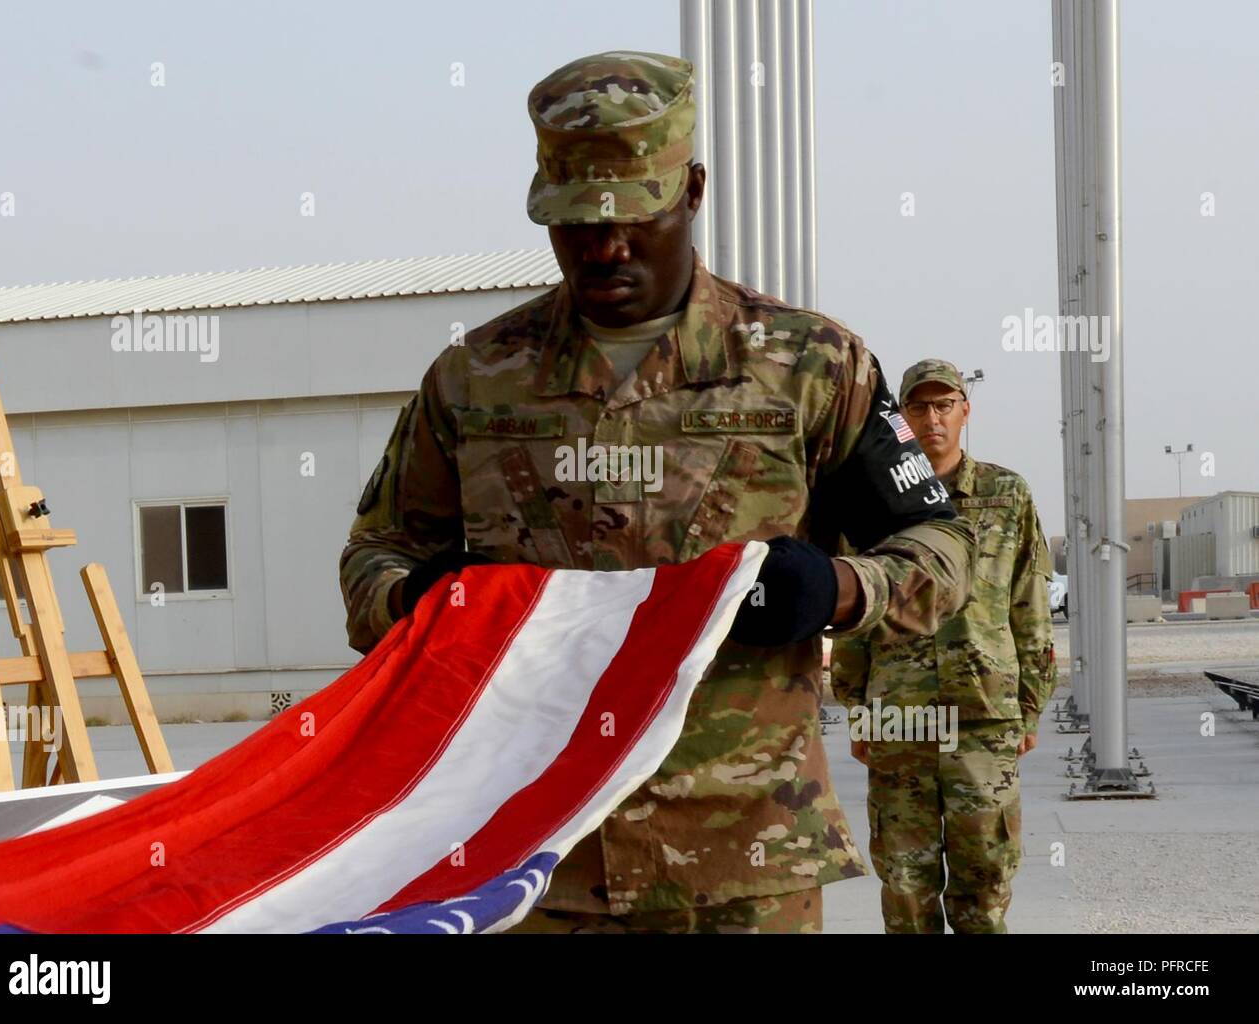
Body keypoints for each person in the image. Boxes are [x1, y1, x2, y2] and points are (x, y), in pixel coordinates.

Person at [340, 51, 973, 934]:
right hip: (525, 857)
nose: (604, 247)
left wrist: (834, 588)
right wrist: (421, 601)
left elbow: (942, 549)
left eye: (633, 216)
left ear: (693, 189)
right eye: (573, 223)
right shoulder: (475, 381)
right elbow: (376, 555)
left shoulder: (812, 366)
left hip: (743, 855)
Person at [831, 358, 1057, 934]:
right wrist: (858, 710)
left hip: (983, 713)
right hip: (897, 717)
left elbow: (1028, 604)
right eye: (918, 408)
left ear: (964, 411)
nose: (932, 419)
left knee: (986, 876)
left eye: (944, 406)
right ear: (901, 419)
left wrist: (1029, 705)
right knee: (906, 885)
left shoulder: (1006, 494)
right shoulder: (874, 499)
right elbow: (854, 610)